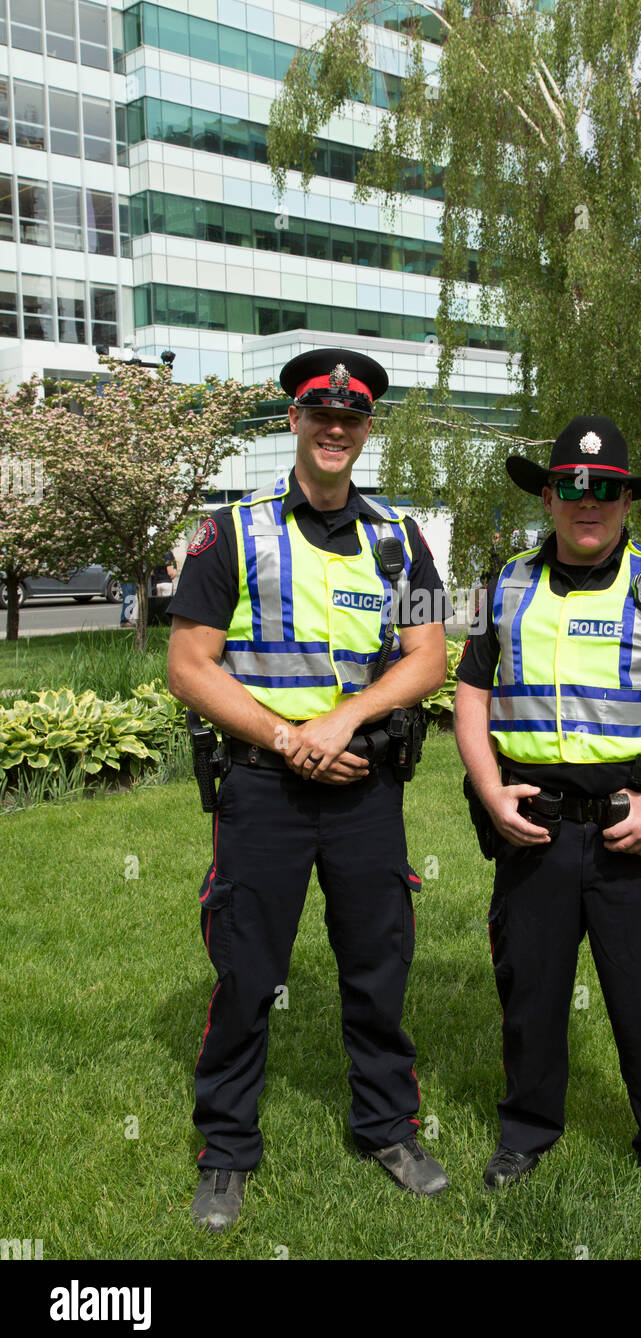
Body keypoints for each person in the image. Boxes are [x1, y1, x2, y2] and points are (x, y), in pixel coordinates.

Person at [166, 347, 451, 1232]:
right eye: (320, 416)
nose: (335, 430)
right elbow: (190, 665)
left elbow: (430, 658)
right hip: (262, 788)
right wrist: (292, 737)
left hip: (366, 786)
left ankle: (385, 1129)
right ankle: (226, 1150)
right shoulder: (232, 533)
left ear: (365, 431)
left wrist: (344, 721)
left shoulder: (401, 541)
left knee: (378, 965)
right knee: (247, 968)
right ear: (294, 421)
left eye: (352, 419)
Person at [455, 415, 641, 1223]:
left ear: (626, 500)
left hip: (631, 828)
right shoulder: (502, 586)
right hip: (532, 824)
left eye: (607, 490)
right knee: (530, 990)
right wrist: (488, 788)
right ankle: (528, 1130)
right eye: (573, 487)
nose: (589, 502)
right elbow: (470, 695)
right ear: (548, 495)